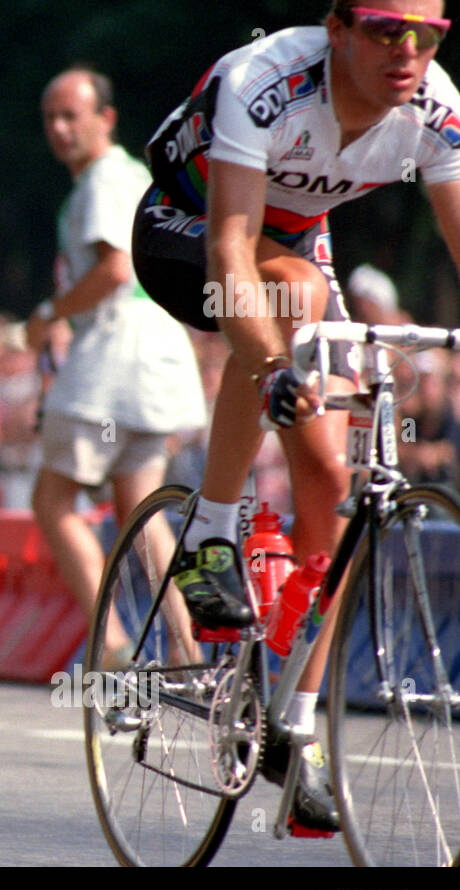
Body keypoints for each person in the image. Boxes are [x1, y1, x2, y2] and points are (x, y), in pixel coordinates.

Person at [132, 0, 460, 832]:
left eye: (428, 35)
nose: (408, 51)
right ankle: (209, 535)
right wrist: (274, 367)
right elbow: (230, 254)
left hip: (298, 243)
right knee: (294, 295)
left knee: (330, 480)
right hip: (191, 225)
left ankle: (294, 723)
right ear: (339, 29)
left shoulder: (436, 107)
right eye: (388, 30)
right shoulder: (267, 82)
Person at [29, 68, 206, 670]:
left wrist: (49, 313)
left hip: (112, 353)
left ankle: (107, 644)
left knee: (52, 501)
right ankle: (185, 652)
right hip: (160, 350)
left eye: (71, 115)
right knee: (141, 507)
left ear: (105, 119)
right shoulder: (138, 173)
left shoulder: (103, 179)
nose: (59, 128)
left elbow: (113, 271)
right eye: (52, 116)